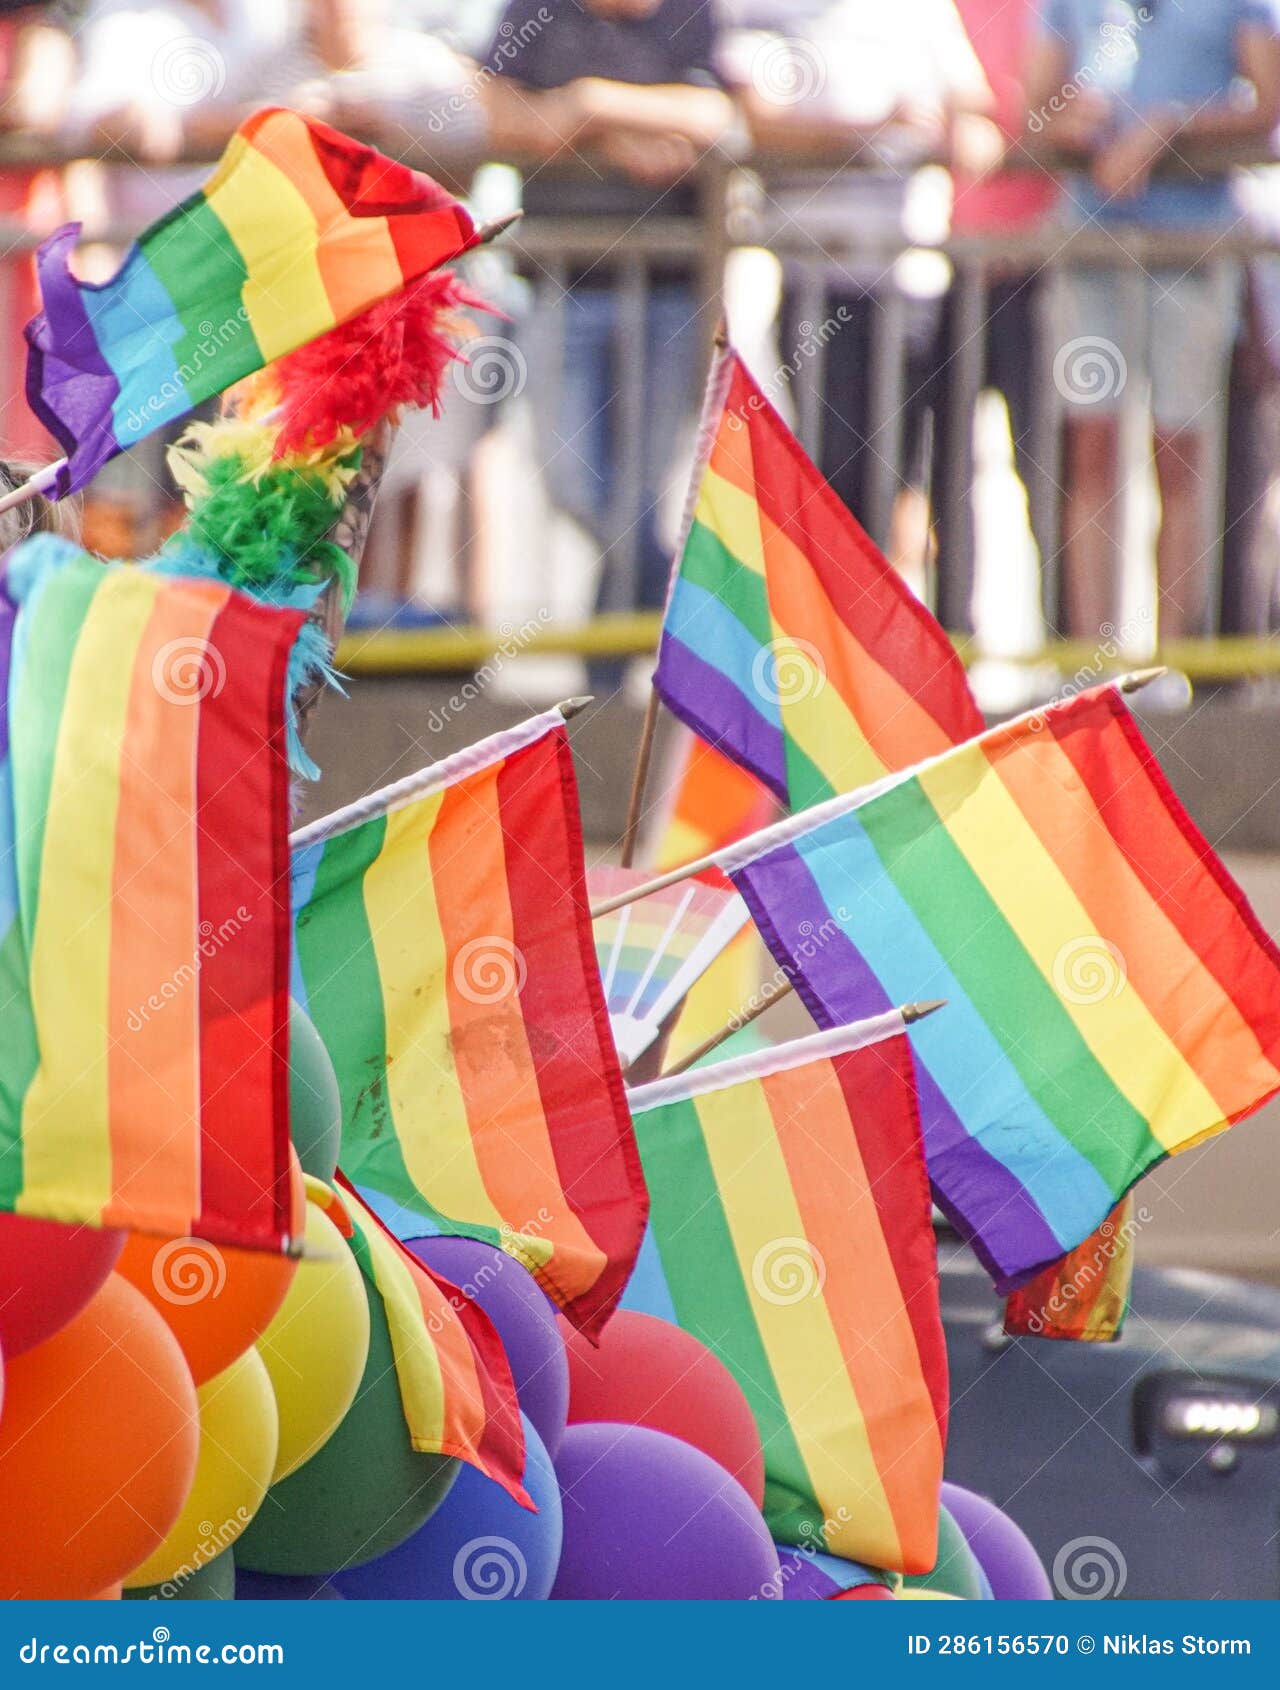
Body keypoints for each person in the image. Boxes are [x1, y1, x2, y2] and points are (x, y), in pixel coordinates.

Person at [483, 0, 737, 693]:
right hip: (565, 282)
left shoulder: (691, 13)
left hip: (669, 289)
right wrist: (618, 140)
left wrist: (590, 106)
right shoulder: (536, 12)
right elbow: (503, 116)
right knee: (572, 479)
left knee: (638, 491)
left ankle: (606, 681)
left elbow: (717, 116)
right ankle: (689, 594)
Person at [1025, 0, 1280, 645]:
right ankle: (1095, 661)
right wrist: (1068, 120)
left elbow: (1268, 106)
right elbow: (1034, 109)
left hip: (1192, 247)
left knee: (1180, 454)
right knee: (1094, 447)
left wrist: (1169, 124)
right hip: (1092, 243)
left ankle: (1170, 665)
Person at [726, 0, 991, 567]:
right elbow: (760, 124)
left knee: (914, 479)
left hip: (913, 281)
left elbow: (971, 102)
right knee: (838, 476)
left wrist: (967, 131)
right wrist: (874, 133)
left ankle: (904, 641)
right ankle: (837, 643)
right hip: (817, 280)